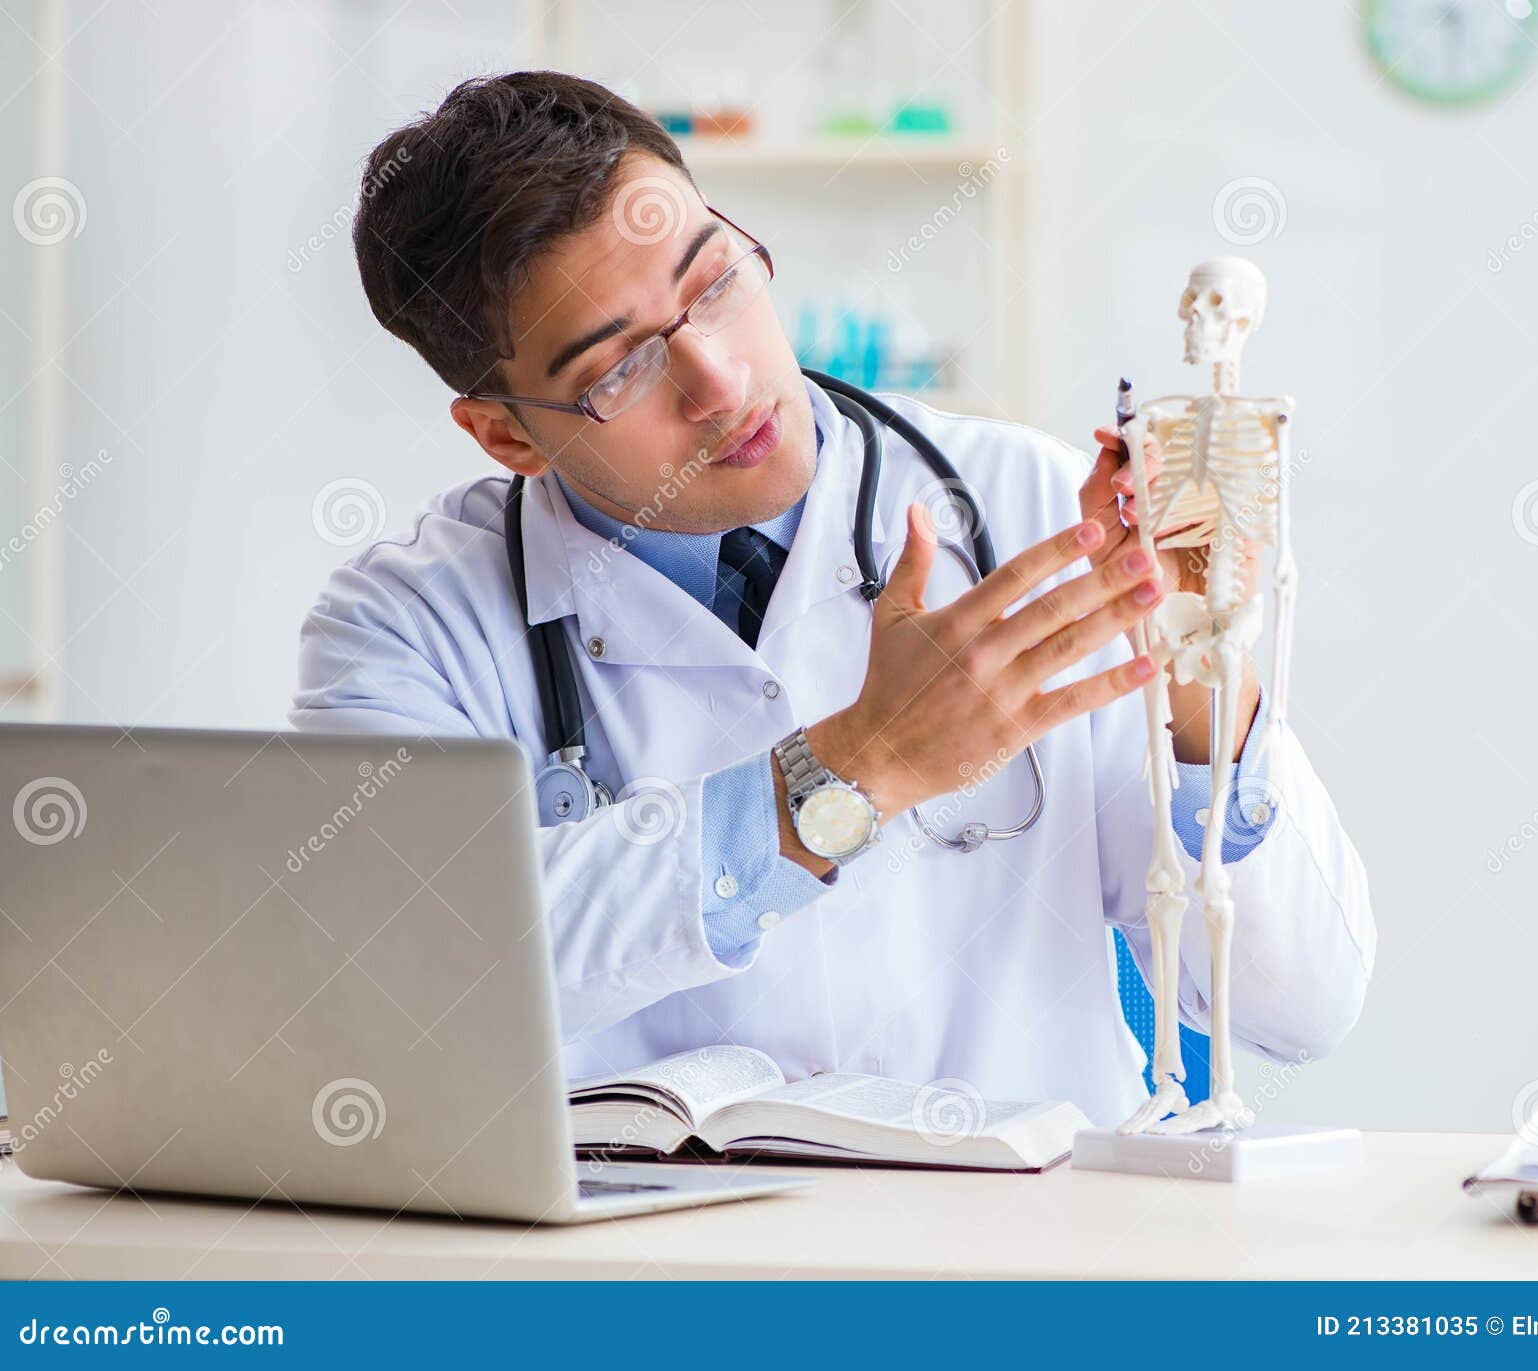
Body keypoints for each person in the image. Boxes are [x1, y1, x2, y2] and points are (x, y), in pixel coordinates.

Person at [292, 72, 1374, 1127]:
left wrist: (1198, 669)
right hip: (658, 1281)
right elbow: (406, 993)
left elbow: (1304, 1008)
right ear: (506, 433)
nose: (717, 380)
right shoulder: (405, 631)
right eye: (618, 370)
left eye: (714, 283)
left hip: (1029, 1265)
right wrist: (857, 765)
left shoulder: (1034, 509)